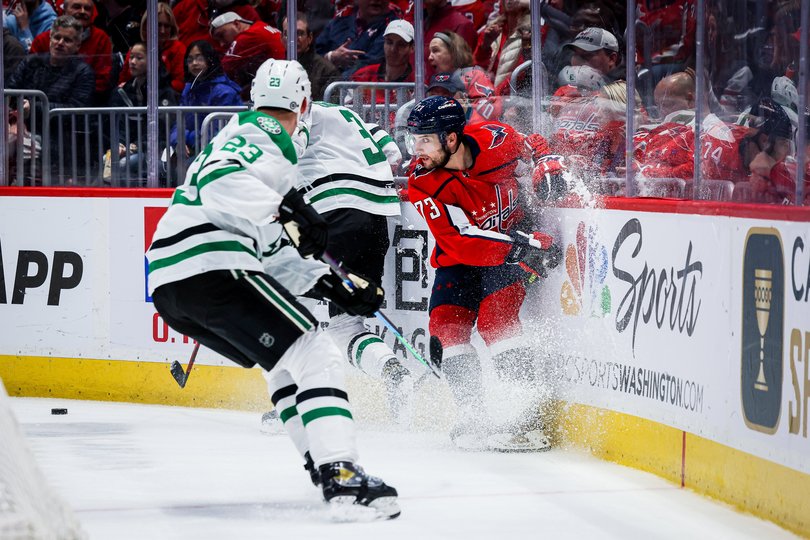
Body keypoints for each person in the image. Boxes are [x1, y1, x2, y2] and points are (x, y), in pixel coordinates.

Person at [146, 58, 400, 519]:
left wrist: (331, 284)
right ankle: (340, 472)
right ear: (304, 103)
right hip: (211, 266)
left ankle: (323, 465)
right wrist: (286, 206)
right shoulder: (261, 132)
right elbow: (221, 185)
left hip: (173, 281)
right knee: (317, 350)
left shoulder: (254, 138)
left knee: (281, 364)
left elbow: (269, 246)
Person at [405, 95, 563, 451]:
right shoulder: (423, 179)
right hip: (467, 255)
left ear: (451, 138)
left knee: (496, 322)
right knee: (445, 325)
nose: (417, 151)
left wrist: (546, 160)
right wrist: (523, 244)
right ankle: (473, 414)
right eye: (414, 140)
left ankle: (530, 418)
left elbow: (533, 145)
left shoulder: (497, 138)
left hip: (508, 252)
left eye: (425, 139)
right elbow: (459, 239)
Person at [107, 42, 178, 182]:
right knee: (108, 160)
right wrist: (120, 144)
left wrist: (136, 146)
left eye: (139, 58)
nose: (132, 62)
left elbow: (161, 129)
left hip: (156, 150)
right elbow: (121, 125)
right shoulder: (126, 90)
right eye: (131, 57)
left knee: (124, 164)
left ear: (154, 62)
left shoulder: (164, 92)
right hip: (131, 147)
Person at [169, 40, 242, 160]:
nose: (194, 63)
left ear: (210, 60)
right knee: (162, 168)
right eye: (190, 59)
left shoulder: (224, 92)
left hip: (218, 152)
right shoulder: (189, 89)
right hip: (192, 148)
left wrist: (186, 137)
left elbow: (216, 133)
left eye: (199, 58)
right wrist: (178, 141)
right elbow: (179, 122)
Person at [30, 0, 114, 104]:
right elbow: (30, 75)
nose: (83, 11)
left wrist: (78, 94)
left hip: (86, 105)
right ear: (64, 10)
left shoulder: (101, 38)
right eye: (77, 7)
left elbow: (102, 80)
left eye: (87, 9)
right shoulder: (42, 40)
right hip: (44, 103)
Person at [7, 15, 94, 109]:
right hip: (24, 121)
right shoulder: (31, 61)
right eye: (57, 38)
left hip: (60, 123)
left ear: (77, 46)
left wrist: (33, 107)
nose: (60, 43)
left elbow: (76, 108)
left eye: (67, 40)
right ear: (50, 40)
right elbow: (10, 92)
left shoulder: (83, 72)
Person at [210, 11, 285, 99]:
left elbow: (222, 69)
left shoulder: (248, 36)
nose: (222, 44)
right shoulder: (261, 26)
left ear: (236, 24)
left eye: (221, 35)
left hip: (277, 86)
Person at [314, 0, 398, 78]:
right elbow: (314, 54)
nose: (376, 0)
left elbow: (371, 62)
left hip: (362, 88)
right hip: (327, 84)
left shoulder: (394, 28)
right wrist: (331, 56)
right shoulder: (338, 22)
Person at [117, 3, 186, 93]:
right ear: (146, 25)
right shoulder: (137, 49)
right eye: (158, 25)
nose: (162, 30)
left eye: (167, 26)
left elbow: (180, 84)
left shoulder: (178, 49)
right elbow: (123, 81)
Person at [350, 19, 415, 104]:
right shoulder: (362, 76)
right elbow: (346, 112)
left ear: (412, 48)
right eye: (389, 42)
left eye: (401, 44)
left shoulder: (417, 83)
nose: (393, 49)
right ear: (384, 43)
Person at [283, 13, 339, 102]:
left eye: (299, 33)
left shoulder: (327, 71)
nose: (293, 38)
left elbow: (329, 109)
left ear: (310, 38)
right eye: (288, 34)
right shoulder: (276, 68)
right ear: (282, 39)